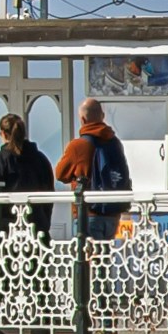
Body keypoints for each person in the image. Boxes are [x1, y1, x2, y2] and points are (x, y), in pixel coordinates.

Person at [54, 102, 133, 239]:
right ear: (102, 116)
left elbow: (60, 174)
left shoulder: (78, 145)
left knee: (86, 257)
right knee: (104, 258)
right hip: (113, 214)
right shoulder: (115, 143)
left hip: (88, 214)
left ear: (82, 120)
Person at [0, 113, 59, 235]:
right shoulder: (40, 158)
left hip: (8, 227)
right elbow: (49, 190)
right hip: (37, 223)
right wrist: (45, 221)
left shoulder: (0, 160)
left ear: (3, 134)